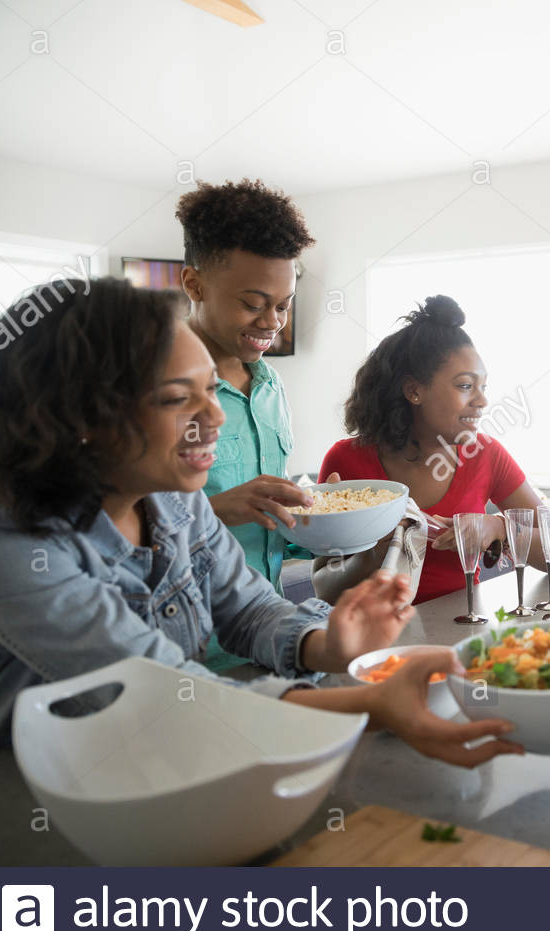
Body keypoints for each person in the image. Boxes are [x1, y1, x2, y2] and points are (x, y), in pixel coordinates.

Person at [0, 277, 523, 767]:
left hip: (155, 773)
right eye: (180, 398)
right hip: (17, 807)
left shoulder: (173, 500)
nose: (216, 416)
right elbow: (165, 691)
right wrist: (372, 706)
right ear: (82, 419)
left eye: (211, 390)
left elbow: (250, 609)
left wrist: (330, 644)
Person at [312, 295, 545, 605]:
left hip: (462, 632)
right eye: (465, 386)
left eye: (483, 387)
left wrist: (499, 527)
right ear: (414, 391)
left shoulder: (487, 454)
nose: (482, 401)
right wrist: (381, 550)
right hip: (376, 640)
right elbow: (327, 587)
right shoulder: (346, 461)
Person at [177, 179, 315, 668]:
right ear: (194, 284)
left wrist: (321, 516)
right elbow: (113, 534)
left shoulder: (271, 388)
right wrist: (215, 511)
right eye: (253, 304)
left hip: (268, 635)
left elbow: (270, 525)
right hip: (186, 652)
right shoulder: (151, 393)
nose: (272, 322)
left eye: (283, 305)